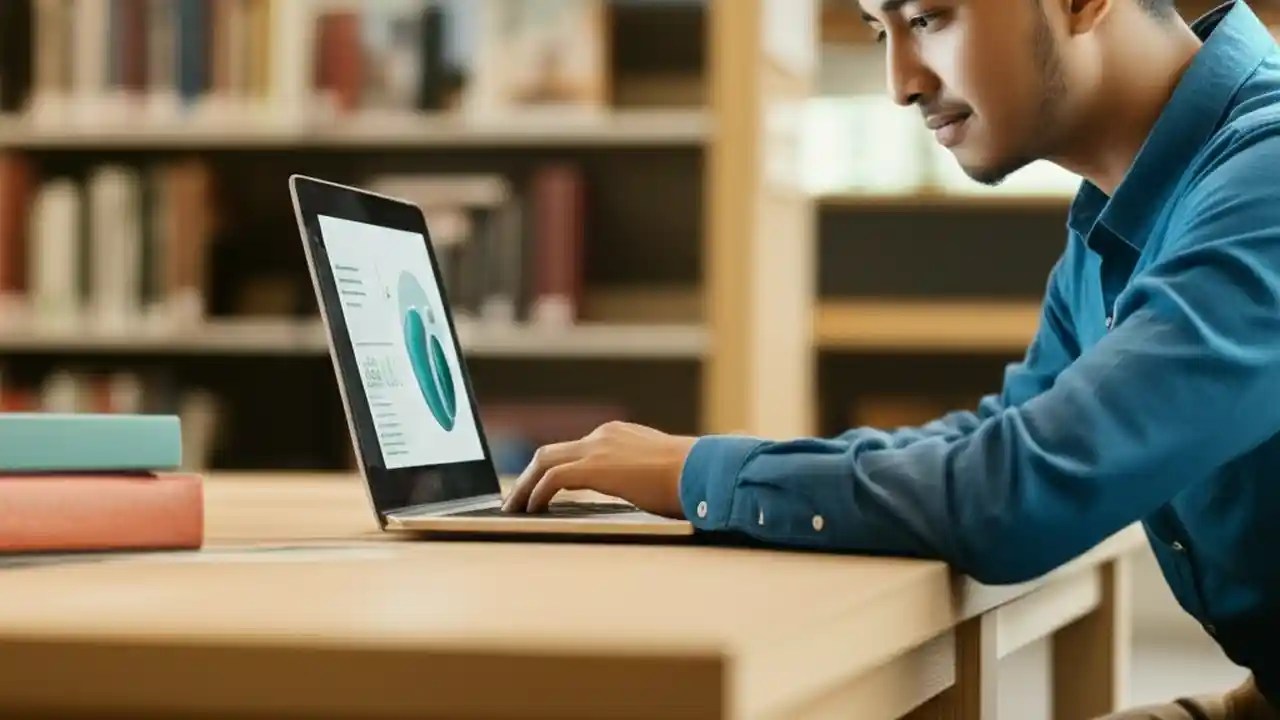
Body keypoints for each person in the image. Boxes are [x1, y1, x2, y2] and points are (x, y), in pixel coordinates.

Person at [502, 0, 1280, 717]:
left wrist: (701, 474)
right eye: (882, 31)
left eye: (928, 17)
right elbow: (999, 438)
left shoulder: (1264, 180)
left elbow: (1019, 491)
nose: (900, 84)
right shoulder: (1120, 224)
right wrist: (707, 469)